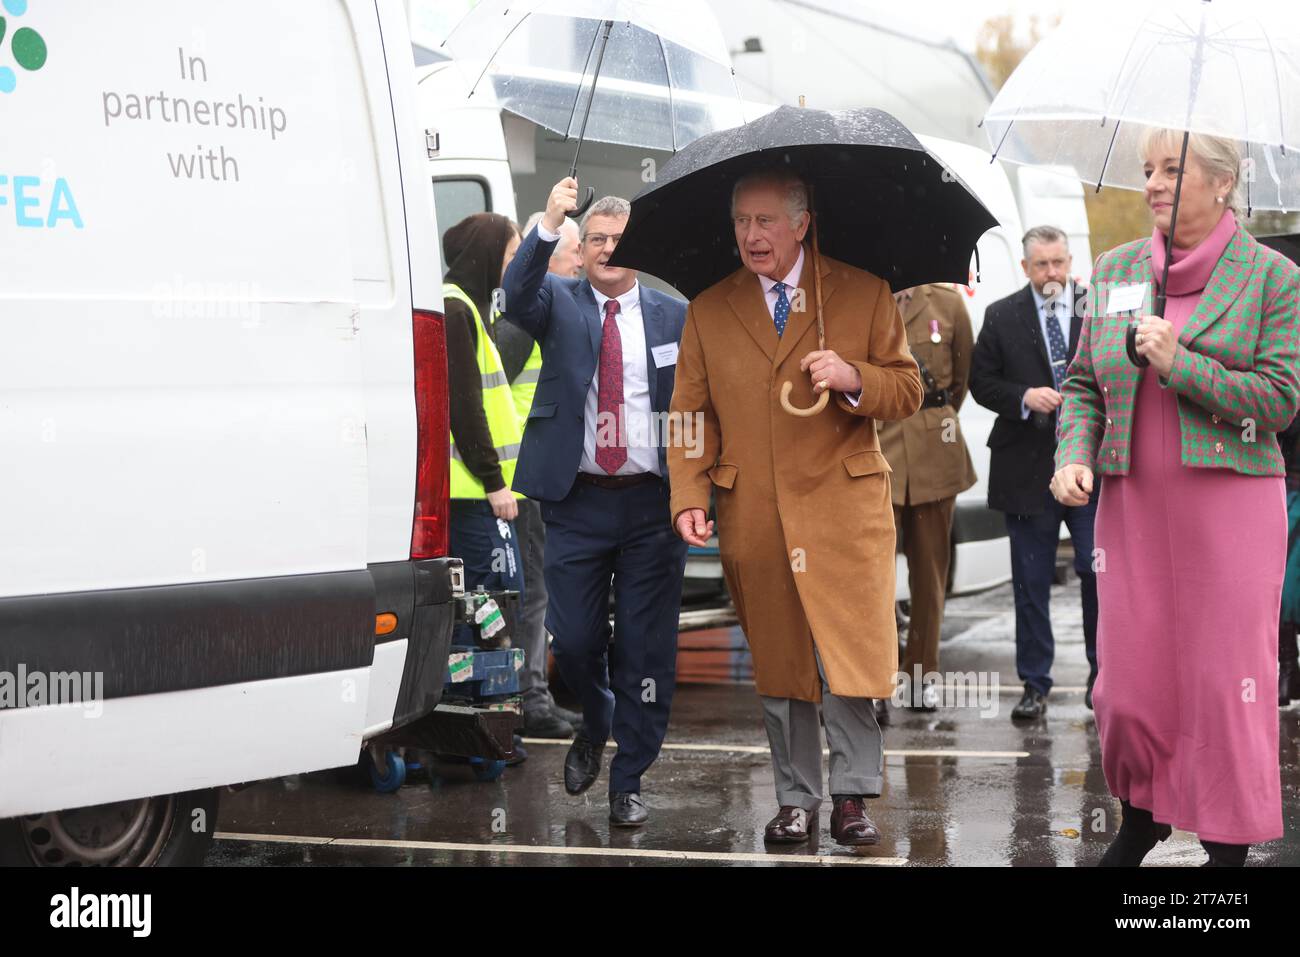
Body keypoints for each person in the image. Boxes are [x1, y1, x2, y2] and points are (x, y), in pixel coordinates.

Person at [1052, 129, 1300, 866]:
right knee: (1126, 683)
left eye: (1172, 168)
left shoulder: (1271, 278)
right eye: (1149, 171)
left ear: (1223, 183)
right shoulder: (1116, 268)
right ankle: (1143, 810)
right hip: (1129, 511)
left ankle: (1226, 846)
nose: (1154, 183)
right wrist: (1073, 454)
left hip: (1229, 513)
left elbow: (1281, 399)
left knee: (1226, 685)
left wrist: (1178, 362)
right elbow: (1081, 386)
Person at [668, 167, 922, 847]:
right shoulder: (709, 308)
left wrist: (852, 378)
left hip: (846, 508)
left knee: (849, 654)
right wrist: (689, 494)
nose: (752, 235)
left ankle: (852, 796)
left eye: (766, 221)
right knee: (780, 660)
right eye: (741, 223)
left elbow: (907, 390)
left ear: (802, 223)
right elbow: (689, 416)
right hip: (753, 509)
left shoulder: (864, 292)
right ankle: (795, 798)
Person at [500, 177, 688, 828]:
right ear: (580, 254)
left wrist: (698, 488)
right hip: (576, 501)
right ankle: (596, 717)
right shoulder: (557, 299)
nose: (608, 249)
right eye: (597, 240)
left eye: (619, 240)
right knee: (576, 640)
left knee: (645, 649)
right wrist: (548, 224)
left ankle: (628, 777)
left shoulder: (674, 317)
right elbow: (514, 294)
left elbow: (695, 410)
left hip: (651, 509)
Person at [970, 226, 1095, 720]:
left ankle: (1101, 678)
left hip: (1088, 471)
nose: (1052, 274)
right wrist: (1023, 396)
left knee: (1095, 571)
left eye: (1059, 263)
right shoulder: (1001, 315)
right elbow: (979, 383)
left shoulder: (1097, 306)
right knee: (1031, 584)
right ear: (1025, 268)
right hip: (1025, 473)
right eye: (1042, 265)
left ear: (1070, 261)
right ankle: (1035, 684)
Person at [495, 211, 584, 740]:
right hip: (518, 482)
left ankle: (533, 693)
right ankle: (530, 697)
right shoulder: (522, 325)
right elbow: (481, 401)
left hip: (538, 480)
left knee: (541, 589)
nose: (582, 259)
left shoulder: (554, 314)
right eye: (575, 251)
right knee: (532, 592)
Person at [878, 283, 978, 716]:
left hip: (936, 449)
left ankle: (921, 678)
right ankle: (874, 681)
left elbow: (961, 380)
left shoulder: (949, 303)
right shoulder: (865, 297)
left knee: (930, 577)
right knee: (874, 579)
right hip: (879, 449)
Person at [443, 213, 525, 645]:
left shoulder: (472, 307)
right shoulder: (456, 310)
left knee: (497, 604)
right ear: (487, 255)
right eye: (511, 254)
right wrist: (494, 481)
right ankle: (479, 701)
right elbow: (464, 407)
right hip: (472, 491)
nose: (514, 264)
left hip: (480, 489)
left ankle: (489, 700)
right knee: (490, 606)